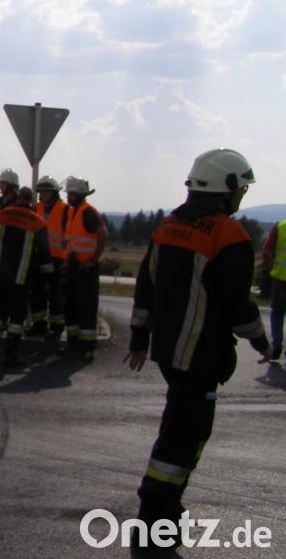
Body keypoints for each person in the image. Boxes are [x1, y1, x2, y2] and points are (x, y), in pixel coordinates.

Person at [125, 148, 271, 550]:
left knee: (176, 431)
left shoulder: (168, 225)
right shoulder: (230, 235)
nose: (241, 196)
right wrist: (262, 340)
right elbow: (237, 304)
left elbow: (145, 287)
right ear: (226, 188)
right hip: (203, 355)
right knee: (183, 439)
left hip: (169, 353)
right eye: (241, 189)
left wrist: (139, 338)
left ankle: (158, 516)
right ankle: (157, 520)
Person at [0, 186, 53, 367]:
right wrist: (48, 277)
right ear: (31, 201)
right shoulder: (38, 222)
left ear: (19, 198)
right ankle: (10, 354)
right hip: (21, 278)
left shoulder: (3, 215)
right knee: (17, 317)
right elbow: (44, 253)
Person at [63, 175, 108, 362]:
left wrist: (94, 259)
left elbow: (102, 233)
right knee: (71, 307)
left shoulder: (88, 212)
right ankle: (73, 346)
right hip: (75, 266)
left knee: (86, 309)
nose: (68, 197)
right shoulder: (76, 211)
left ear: (80, 194)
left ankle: (87, 349)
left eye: (71, 193)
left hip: (86, 268)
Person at [27, 175, 70, 340]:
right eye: (41, 192)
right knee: (36, 293)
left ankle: (57, 328)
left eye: (47, 192)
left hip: (57, 258)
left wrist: (67, 260)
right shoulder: (35, 208)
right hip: (38, 257)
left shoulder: (65, 209)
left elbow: (70, 235)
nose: (44, 195)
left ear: (54, 193)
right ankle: (39, 325)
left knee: (55, 294)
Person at [261, 218, 286, 360]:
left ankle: (276, 347)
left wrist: (272, 267)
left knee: (277, 313)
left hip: (280, 278)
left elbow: (267, 251)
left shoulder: (280, 226)